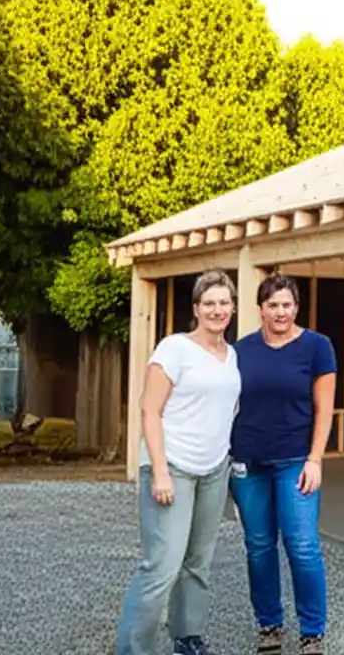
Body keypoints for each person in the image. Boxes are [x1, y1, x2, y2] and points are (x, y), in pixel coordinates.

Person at [116, 269, 241, 655]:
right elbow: (149, 410)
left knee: (197, 563)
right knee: (161, 566)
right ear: (196, 308)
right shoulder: (174, 348)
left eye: (224, 303)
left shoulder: (231, 354)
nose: (217, 310)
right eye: (210, 303)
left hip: (213, 470)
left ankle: (187, 638)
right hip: (172, 468)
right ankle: (133, 649)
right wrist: (160, 472)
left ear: (233, 308)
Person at [229, 273, 336, 655]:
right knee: (258, 546)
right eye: (272, 305)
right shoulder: (239, 351)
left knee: (302, 545)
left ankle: (312, 630)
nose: (280, 312)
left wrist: (315, 459)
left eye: (287, 304)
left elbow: (325, 409)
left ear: (296, 307)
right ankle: (269, 625)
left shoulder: (317, 347)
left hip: (296, 460)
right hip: (248, 463)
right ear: (260, 309)